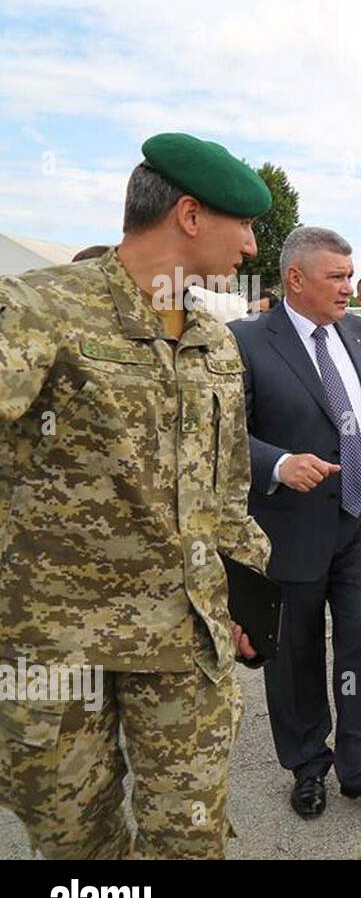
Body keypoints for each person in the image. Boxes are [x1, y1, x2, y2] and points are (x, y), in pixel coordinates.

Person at [0, 131, 272, 859]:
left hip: (187, 642)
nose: (250, 246)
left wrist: (244, 594)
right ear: (189, 214)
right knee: (74, 843)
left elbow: (227, 489)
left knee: (189, 840)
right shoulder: (41, 310)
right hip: (62, 650)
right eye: (242, 224)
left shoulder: (214, 339)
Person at [228, 226, 361, 819]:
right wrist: (279, 464)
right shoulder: (248, 341)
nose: (350, 289)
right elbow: (226, 431)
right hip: (290, 528)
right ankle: (308, 765)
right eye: (336, 277)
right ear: (295, 279)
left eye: (349, 275)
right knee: (295, 653)